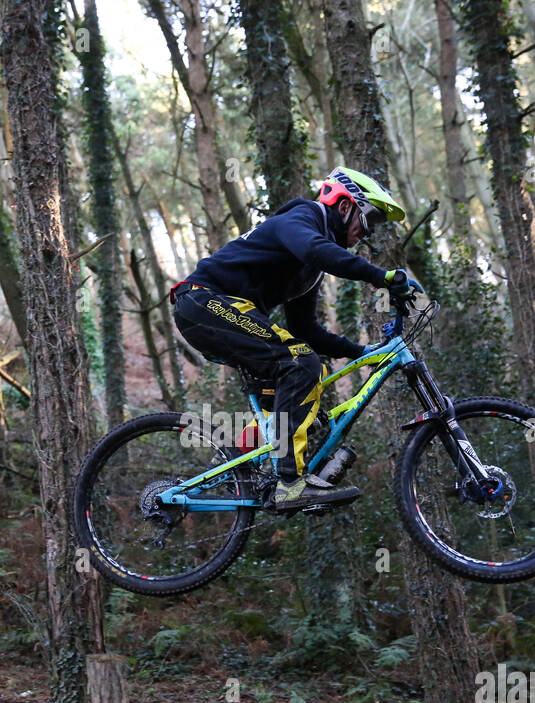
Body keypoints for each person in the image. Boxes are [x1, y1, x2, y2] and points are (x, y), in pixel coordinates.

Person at [169, 166, 421, 510]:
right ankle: (290, 482)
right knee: (300, 362)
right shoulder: (302, 217)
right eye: (369, 218)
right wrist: (381, 277)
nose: (367, 232)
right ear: (344, 206)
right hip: (203, 300)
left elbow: (306, 330)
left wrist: (362, 351)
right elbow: (318, 250)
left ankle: (239, 466)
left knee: (303, 379)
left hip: (219, 311)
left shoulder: (308, 267)